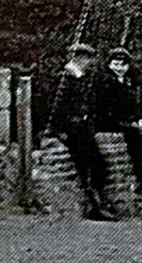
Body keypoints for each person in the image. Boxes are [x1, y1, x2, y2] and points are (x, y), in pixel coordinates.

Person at [44, 40, 118, 219]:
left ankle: (101, 203)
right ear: (78, 59)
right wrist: (56, 130)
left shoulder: (81, 77)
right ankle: (94, 207)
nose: (89, 63)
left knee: (98, 164)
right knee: (86, 166)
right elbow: (57, 106)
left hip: (83, 127)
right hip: (72, 129)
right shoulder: (68, 79)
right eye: (86, 59)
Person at [92, 50, 142, 194]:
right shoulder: (104, 82)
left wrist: (139, 119)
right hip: (108, 121)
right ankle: (141, 178)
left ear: (128, 66)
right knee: (136, 138)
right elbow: (105, 108)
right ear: (109, 65)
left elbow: (136, 106)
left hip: (127, 121)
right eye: (115, 64)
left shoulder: (131, 82)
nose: (119, 68)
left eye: (123, 65)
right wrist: (129, 123)